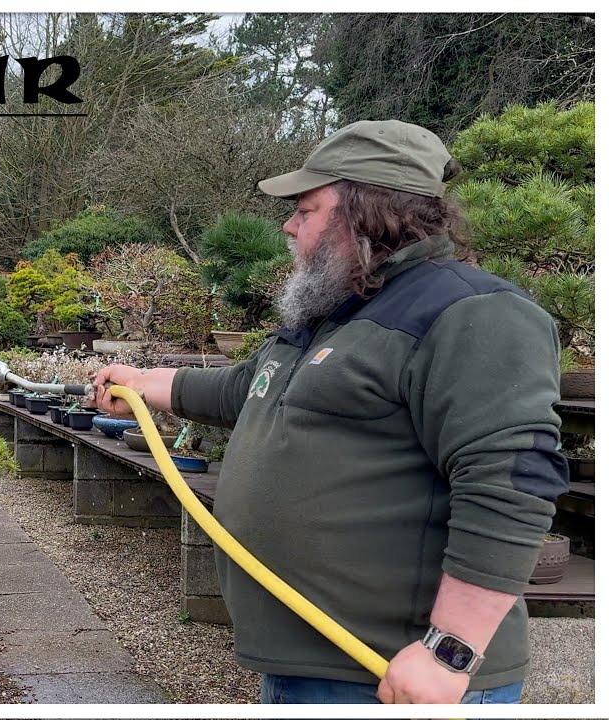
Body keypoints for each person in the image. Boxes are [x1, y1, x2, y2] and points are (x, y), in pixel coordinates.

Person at [93, 119, 568, 704]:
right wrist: (144, 382)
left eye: (306, 209)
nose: (289, 226)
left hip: (389, 675)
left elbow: (512, 481)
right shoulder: (338, 308)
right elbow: (251, 389)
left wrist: (450, 651)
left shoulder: (473, 312)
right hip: (314, 663)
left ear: (368, 210)